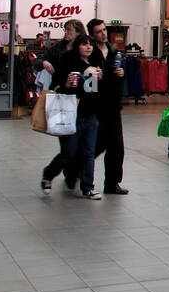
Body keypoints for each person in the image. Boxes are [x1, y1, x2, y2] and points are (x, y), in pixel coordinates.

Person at [40, 34, 102, 199]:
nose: (88, 47)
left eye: (90, 44)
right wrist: (66, 85)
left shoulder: (94, 65)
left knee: (88, 153)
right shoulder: (68, 62)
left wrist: (98, 78)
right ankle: (48, 173)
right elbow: (59, 87)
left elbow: (93, 93)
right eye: (84, 44)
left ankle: (88, 187)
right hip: (71, 115)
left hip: (90, 115)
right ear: (77, 47)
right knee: (69, 153)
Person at [87, 19, 128, 195]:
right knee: (96, 145)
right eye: (98, 31)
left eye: (104, 30)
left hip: (113, 105)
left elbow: (118, 79)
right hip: (95, 106)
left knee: (117, 146)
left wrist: (121, 74)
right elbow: (87, 86)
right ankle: (75, 170)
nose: (103, 34)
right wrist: (92, 78)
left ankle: (112, 183)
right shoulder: (89, 53)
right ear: (92, 34)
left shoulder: (113, 52)